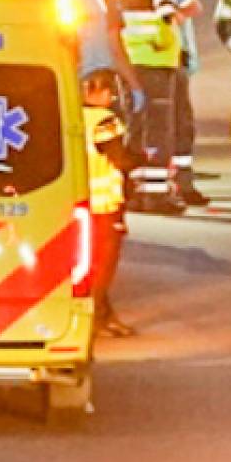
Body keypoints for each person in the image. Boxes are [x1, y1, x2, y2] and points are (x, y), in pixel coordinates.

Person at [132, 0, 207, 207]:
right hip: (158, 62)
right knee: (161, 130)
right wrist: (173, 16)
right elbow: (168, 10)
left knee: (136, 129)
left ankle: (137, 191)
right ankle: (157, 193)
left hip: (130, 64)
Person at [81, 67, 138, 337]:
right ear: (100, 92)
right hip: (104, 206)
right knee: (104, 265)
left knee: (87, 263)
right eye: (110, 93)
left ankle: (105, 316)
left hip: (79, 202)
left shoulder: (72, 115)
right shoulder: (105, 121)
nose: (112, 98)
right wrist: (143, 159)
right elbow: (119, 159)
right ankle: (94, 318)